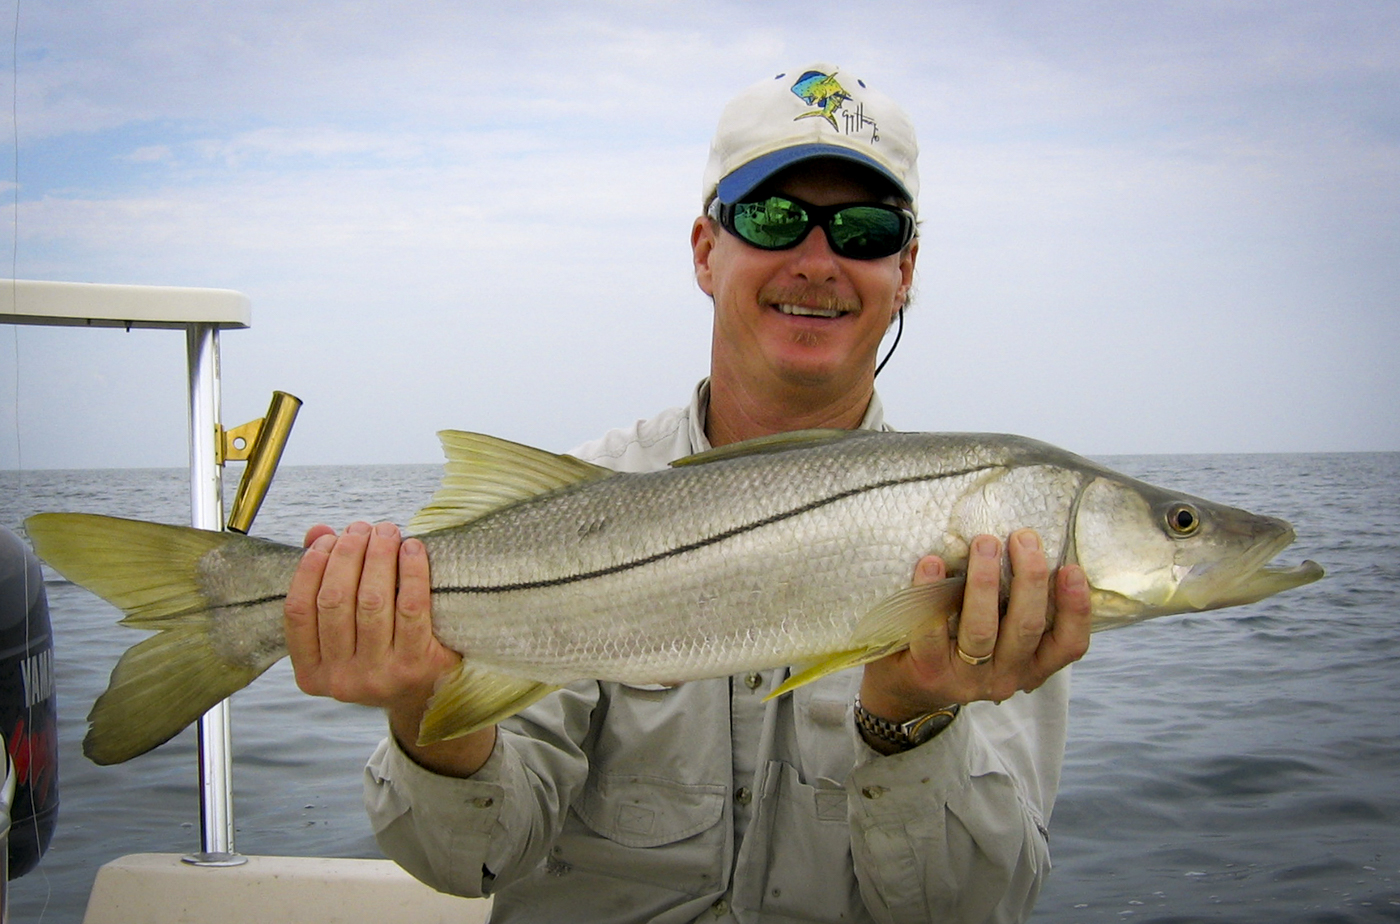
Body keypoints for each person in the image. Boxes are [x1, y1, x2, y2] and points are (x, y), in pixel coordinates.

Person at [284, 63, 1092, 923]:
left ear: (906, 270)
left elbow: (980, 907)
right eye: (773, 218)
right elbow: (473, 856)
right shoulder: (575, 503)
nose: (818, 262)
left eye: (864, 231)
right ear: (707, 251)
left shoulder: (1001, 559)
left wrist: (908, 722)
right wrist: (424, 704)